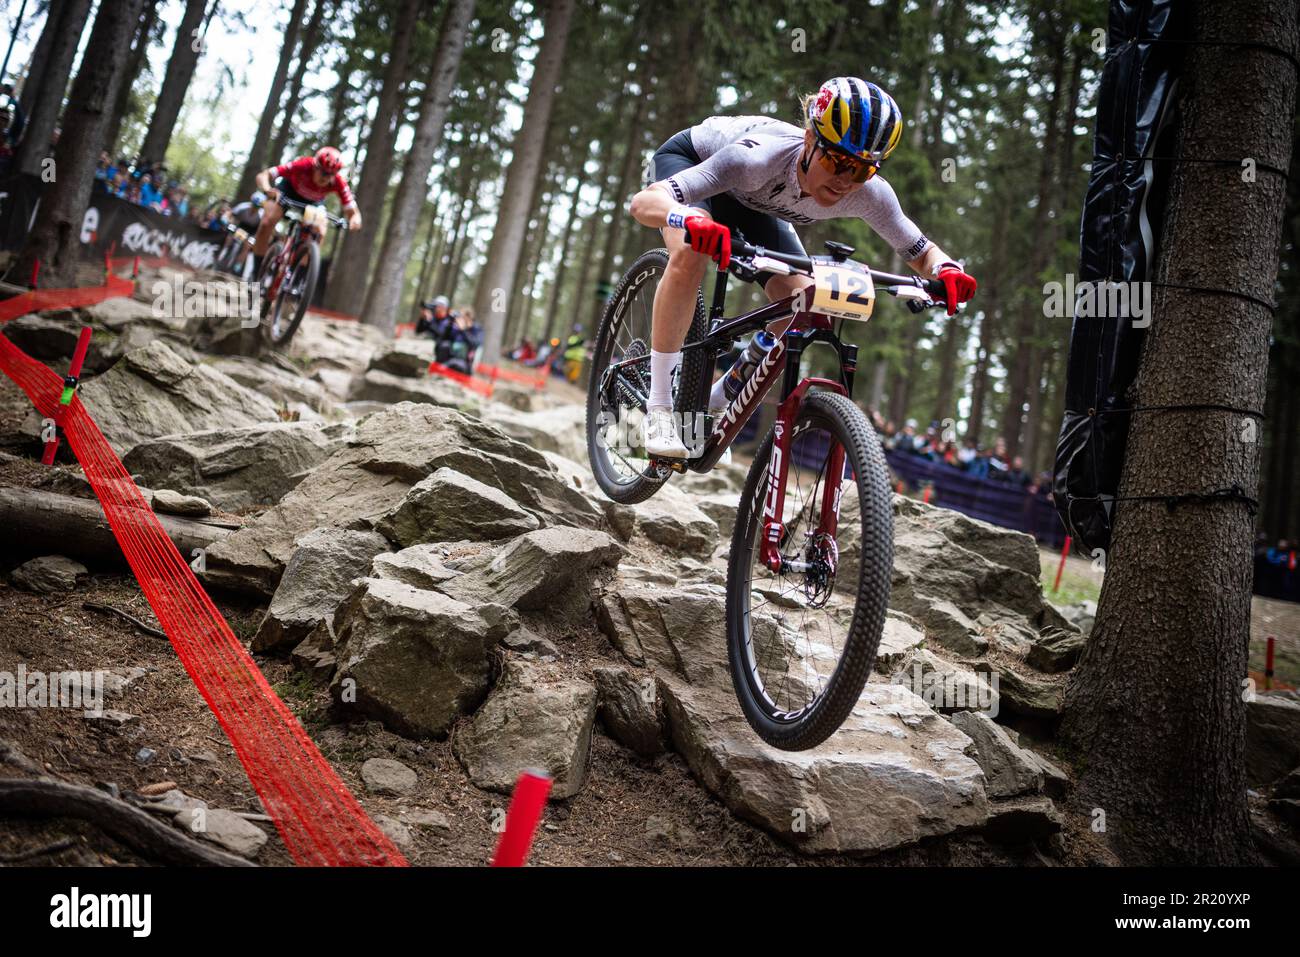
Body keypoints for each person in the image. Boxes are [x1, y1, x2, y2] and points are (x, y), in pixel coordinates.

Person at [627, 76, 977, 458]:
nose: (845, 181)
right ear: (810, 140)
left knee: (803, 300)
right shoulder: (756, 158)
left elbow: (921, 251)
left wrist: (946, 271)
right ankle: (659, 408)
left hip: (755, 201)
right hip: (696, 166)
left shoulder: (870, 193)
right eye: (837, 161)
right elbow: (645, 203)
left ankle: (719, 397)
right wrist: (686, 220)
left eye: (861, 170)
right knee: (691, 252)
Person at [251, 146, 361, 279]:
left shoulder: (338, 182)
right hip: (288, 191)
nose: (326, 178)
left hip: (313, 202)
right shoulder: (303, 164)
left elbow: (354, 213)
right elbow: (263, 175)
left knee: (319, 231)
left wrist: (354, 221)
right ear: (315, 166)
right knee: (267, 222)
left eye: (331, 174)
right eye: (323, 173)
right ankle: (256, 272)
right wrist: (268, 189)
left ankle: (295, 278)